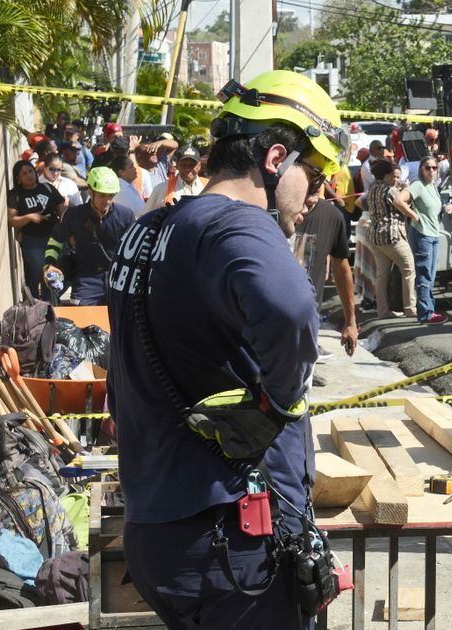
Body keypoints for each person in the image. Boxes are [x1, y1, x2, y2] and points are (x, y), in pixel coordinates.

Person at [108, 69, 342, 628]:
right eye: (312, 173)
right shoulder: (238, 225)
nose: (317, 192)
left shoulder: (149, 228)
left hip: (160, 523)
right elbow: (292, 312)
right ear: (276, 157)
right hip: (230, 542)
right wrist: (278, 403)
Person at [43, 167, 135, 305]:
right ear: (90, 192)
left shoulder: (126, 216)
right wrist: (49, 264)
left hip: (118, 278)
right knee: (82, 321)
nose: (107, 201)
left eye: (111, 195)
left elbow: (135, 249)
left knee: (122, 321)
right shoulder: (73, 215)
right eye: (102, 195)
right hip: (86, 280)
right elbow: (55, 241)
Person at [296, 196, 358, 357]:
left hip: (306, 325)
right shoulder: (268, 207)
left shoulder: (331, 216)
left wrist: (351, 322)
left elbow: (342, 269)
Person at [365, 159, 419, 319]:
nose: (396, 180)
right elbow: (401, 203)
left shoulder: (373, 188)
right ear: (386, 175)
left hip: (375, 235)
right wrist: (414, 215)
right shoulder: (390, 191)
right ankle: (410, 308)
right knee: (409, 269)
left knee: (382, 275)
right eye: (394, 176)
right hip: (392, 235)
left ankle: (382, 310)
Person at [7, 159, 66, 299]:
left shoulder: (47, 188)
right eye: (24, 173)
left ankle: (50, 309)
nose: (29, 175)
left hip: (54, 240)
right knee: (47, 275)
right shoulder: (15, 194)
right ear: (18, 178)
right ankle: (49, 311)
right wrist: (30, 217)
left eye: (30, 171)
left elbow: (62, 209)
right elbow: (13, 221)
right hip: (33, 243)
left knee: (55, 277)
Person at [408, 156, 450, 324]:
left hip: (432, 233)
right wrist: (413, 215)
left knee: (430, 275)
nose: (432, 170)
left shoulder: (432, 186)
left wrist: (445, 209)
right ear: (421, 169)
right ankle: (426, 313)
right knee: (425, 274)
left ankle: (427, 311)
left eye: (434, 167)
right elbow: (398, 200)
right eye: (428, 167)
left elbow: (432, 210)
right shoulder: (417, 185)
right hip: (422, 234)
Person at [142, 146, 208, 214]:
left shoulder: (208, 185)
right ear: (176, 165)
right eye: (183, 165)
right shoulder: (161, 189)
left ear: (199, 165)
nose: (188, 169)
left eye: (192, 165)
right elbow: (145, 216)